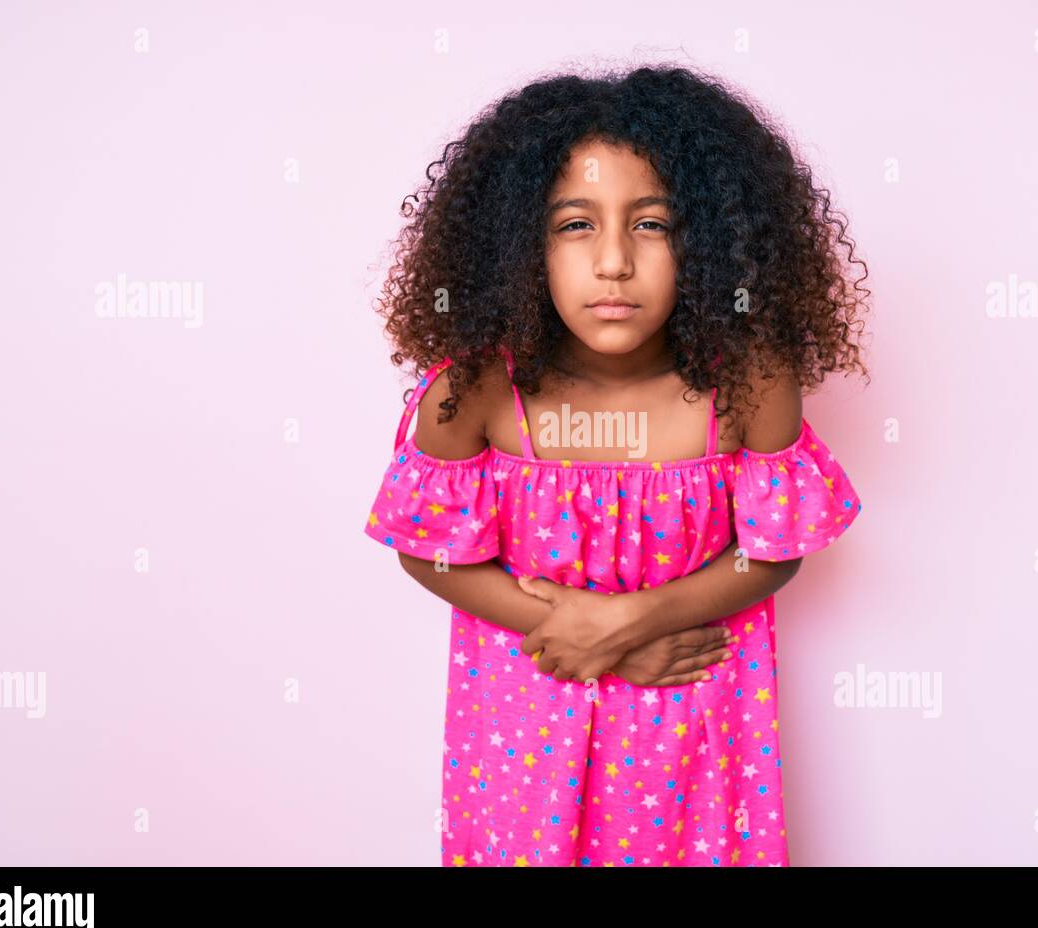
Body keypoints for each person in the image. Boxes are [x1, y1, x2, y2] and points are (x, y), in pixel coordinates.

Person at [364, 64, 869, 866]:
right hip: (529, 711)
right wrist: (592, 637)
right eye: (574, 225)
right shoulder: (477, 387)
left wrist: (634, 620)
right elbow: (426, 547)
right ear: (517, 245)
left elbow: (771, 551)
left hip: (695, 714)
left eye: (652, 224)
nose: (612, 264)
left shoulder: (751, 380)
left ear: (707, 239)